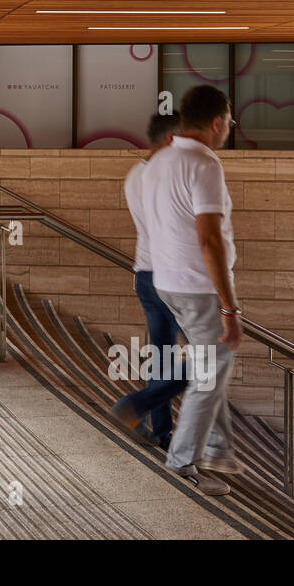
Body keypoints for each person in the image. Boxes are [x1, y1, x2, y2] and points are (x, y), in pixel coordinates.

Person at [141, 85, 241, 497]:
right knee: (208, 373)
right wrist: (230, 309)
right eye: (229, 122)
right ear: (217, 122)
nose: (228, 129)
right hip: (197, 287)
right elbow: (209, 240)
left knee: (211, 368)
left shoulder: (159, 161)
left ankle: (218, 449)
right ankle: (182, 464)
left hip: (165, 282)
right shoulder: (204, 164)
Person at [111, 112, 186, 449]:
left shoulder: (134, 175)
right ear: (171, 139)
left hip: (144, 274)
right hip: (172, 278)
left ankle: (160, 432)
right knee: (213, 357)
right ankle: (134, 405)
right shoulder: (166, 177)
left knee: (163, 357)